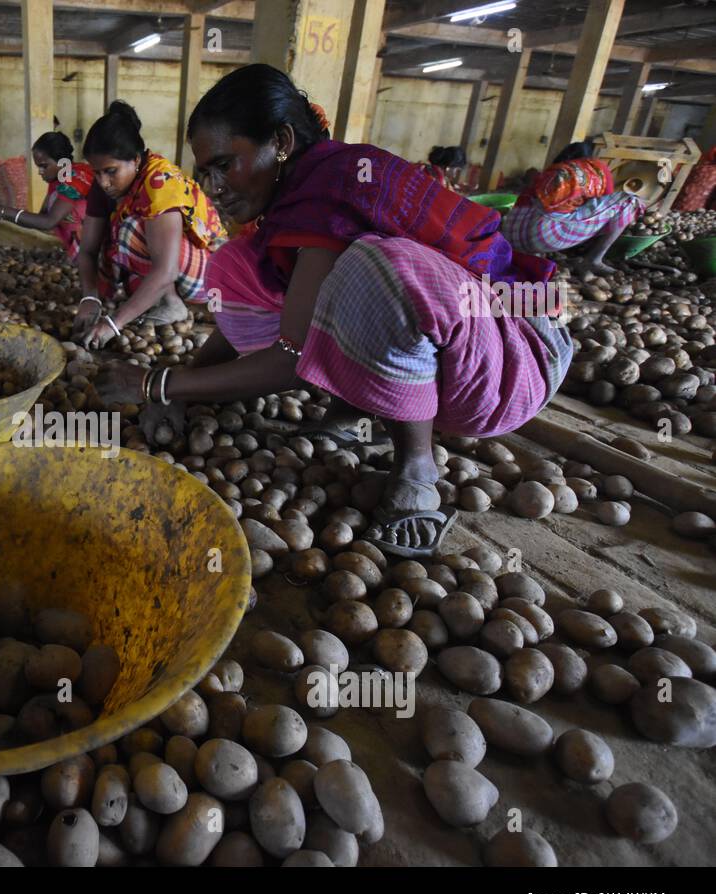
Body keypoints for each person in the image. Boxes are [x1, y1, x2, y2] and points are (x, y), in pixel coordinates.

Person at [96, 63, 573, 559]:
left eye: (225, 164)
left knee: (379, 268)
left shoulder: (337, 184)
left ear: (280, 141)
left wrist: (157, 382)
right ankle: (352, 409)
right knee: (240, 263)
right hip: (452, 355)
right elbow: (265, 323)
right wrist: (186, 388)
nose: (213, 187)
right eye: (204, 173)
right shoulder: (293, 205)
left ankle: (417, 468)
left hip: (510, 364)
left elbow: (288, 355)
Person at [73, 101, 227, 350]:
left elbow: (166, 270)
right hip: (171, 267)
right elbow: (88, 250)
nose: (103, 182)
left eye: (111, 171)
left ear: (135, 159)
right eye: (97, 172)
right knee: (110, 248)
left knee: (130, 230)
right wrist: (90, 297)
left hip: (213, 272)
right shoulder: (104, 185)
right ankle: (162, 299)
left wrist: (113, 324)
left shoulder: (158, 184)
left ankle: (173, 302)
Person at [502, 140, 661, 276]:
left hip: (511, 235)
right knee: (629, 201)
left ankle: (539, 252)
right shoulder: (597, 170)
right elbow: (604, 213)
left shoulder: (551, 173)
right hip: (542, 237)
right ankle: (593, 260)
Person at [0, 132, 95, 259]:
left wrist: (4, 211)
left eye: (44, 166)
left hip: (92, 252)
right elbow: (41, 219)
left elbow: (49, 222)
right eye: (38, 166)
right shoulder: (58, 181)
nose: (40, 172)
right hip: (77, 252)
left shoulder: (75, 179)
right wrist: (1, 216)